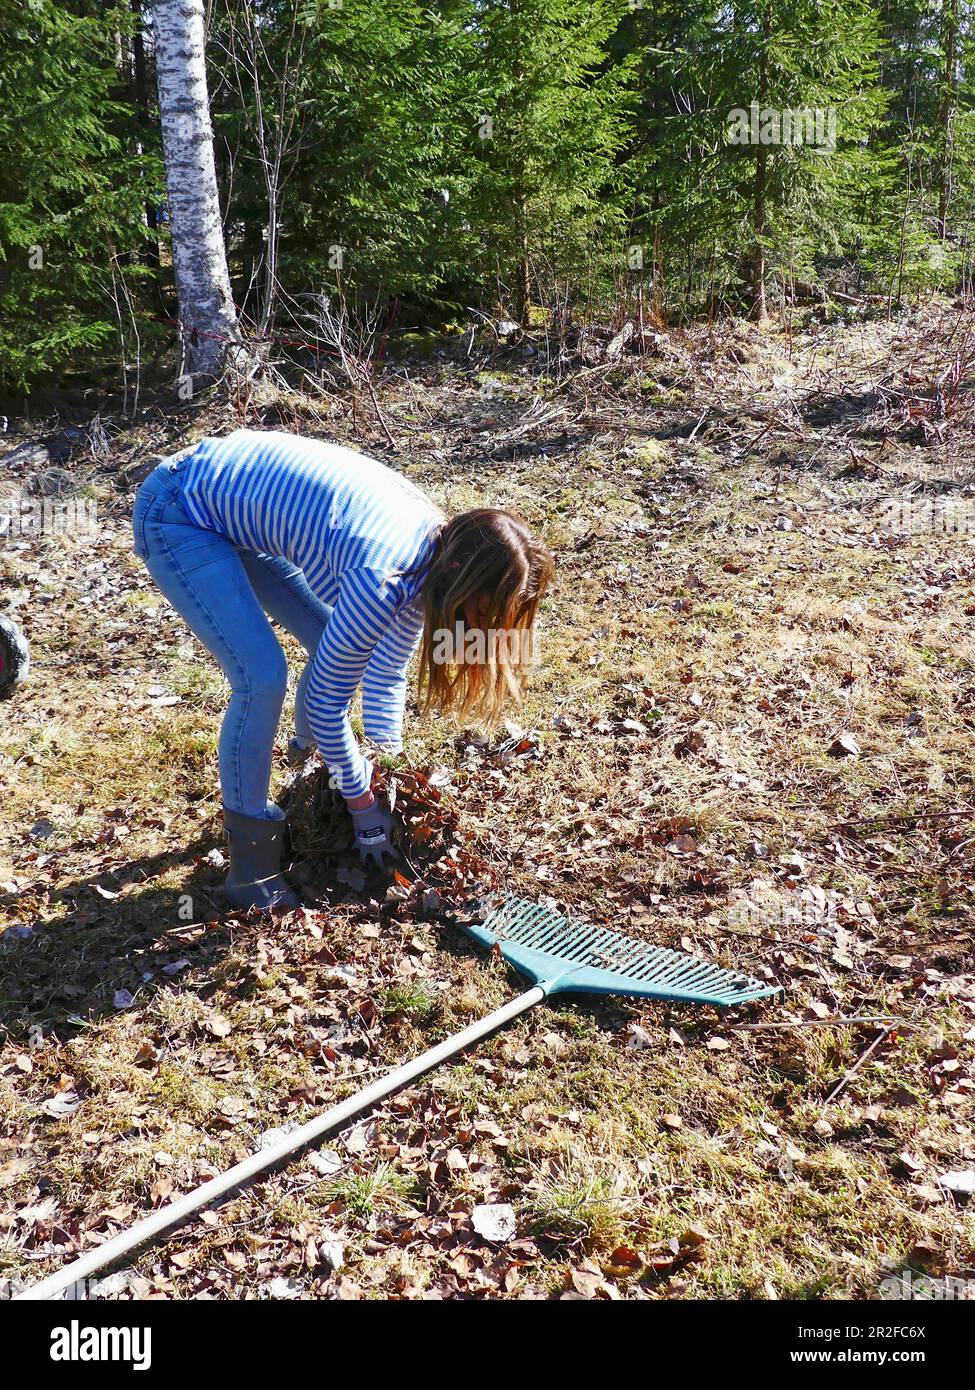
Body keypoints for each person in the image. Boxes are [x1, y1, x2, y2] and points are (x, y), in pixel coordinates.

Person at [132, 430, 553, 910]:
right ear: (460, 571)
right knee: (262, 677)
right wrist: (362, 806)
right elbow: (326, 705)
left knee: (324, 638)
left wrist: (387, 772)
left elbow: (386, 673)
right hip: (180, 507)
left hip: (230, 503)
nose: (484, 625)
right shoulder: (384, 578)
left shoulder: (433, 558)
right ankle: (251, 867)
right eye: (484, 610)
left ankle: (309, 777)